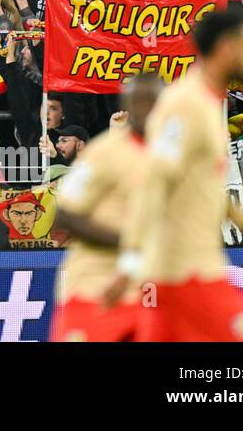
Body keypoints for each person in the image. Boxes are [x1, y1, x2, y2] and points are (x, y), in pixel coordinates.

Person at [111, 8, 243, 341]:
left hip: (193, 260)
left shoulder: (205, 103)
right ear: (226, 47)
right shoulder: (187, 105)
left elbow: (199, 189)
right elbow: (153, 183)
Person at [50, 74, 159, 342]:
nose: (147, 109)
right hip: (94, 284)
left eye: (153, 101)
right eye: (139, 101)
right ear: (126, 105)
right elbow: (66, 215)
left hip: (147, 288)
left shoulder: (170, 158)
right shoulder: (103, 153)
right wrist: (129, 242)